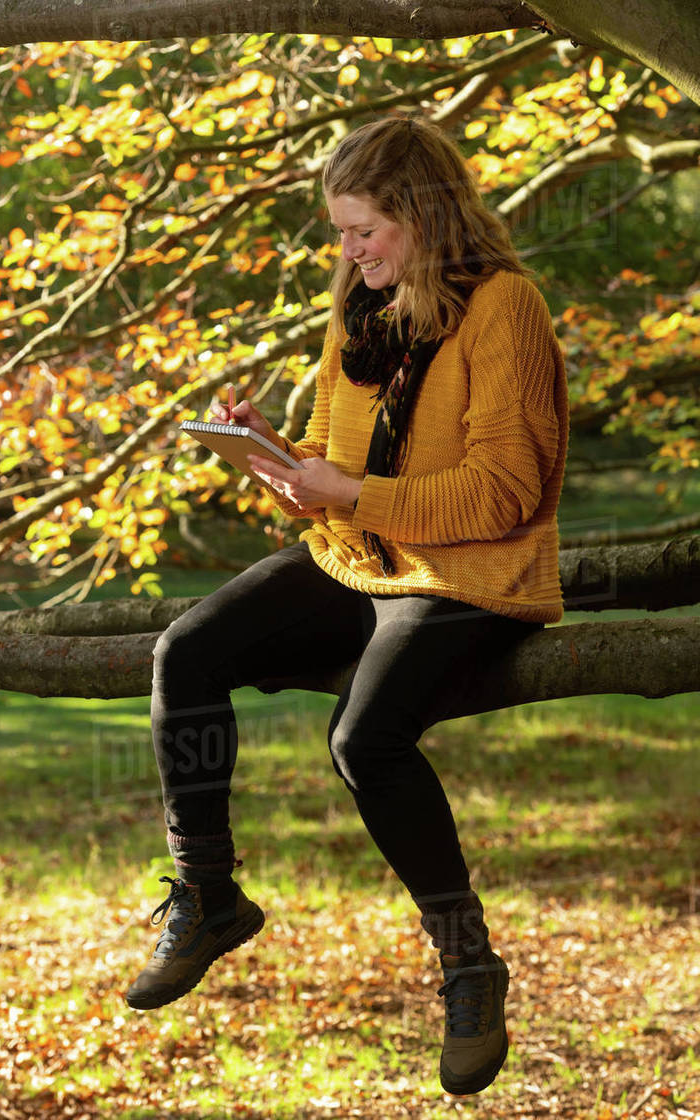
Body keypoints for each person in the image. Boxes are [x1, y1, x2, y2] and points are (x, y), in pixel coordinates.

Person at [126, 116, 569, 1097]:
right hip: (356, 556)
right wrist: (277, 459)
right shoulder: (356, 312)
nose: (348, 250)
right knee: (184, 651)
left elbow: (502, 490)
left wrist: (346, 494)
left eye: (362, 230)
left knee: (361, 738)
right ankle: (207, 894)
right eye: (339, 233)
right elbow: (333, 449)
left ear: (419, 215)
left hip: (466, 573)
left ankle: (466, 964)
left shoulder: (506, 308)